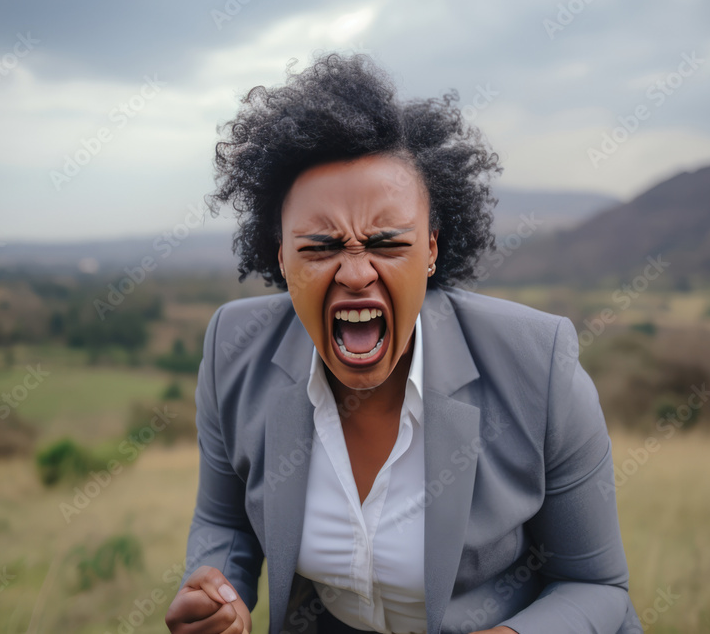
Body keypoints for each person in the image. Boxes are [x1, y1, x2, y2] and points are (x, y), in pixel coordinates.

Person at [165, 53, 642, 634]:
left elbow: (594, 584)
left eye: (387, 242)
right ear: (281, 255)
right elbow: (226, 522)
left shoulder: (537, 365)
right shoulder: (231, 350)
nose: (357, 273)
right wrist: (218, 590)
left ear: (433, 249)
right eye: (319, 247)